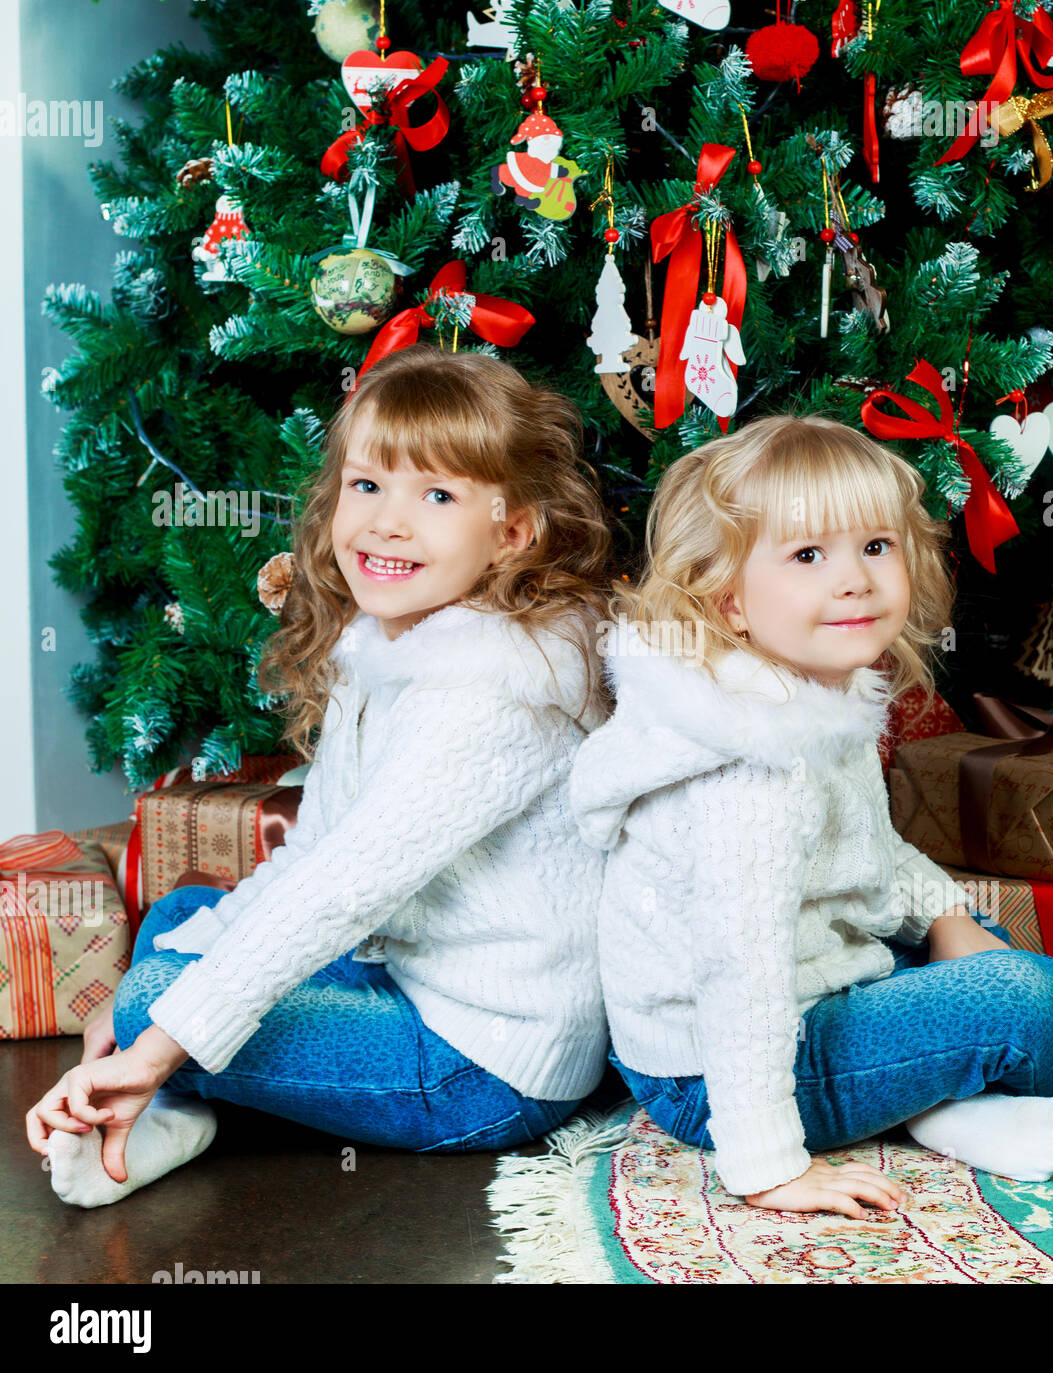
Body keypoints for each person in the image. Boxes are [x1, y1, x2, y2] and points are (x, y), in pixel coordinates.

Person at [27, 345, 615, 1207]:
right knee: (189, 916)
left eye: (438, 495)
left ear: (514, 529)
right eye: (367, 485)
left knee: (158, 991)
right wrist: (143, 1020)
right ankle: (184, 1102)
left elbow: (341, 890)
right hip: (403, 979)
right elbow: (314, 855)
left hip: (484, 1065)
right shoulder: (388, 644)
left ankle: (166, 1095)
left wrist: (144, 1035)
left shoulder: (500, 690)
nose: (386, 521)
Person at [569, 414, 1053, 1220]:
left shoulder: (817, 690)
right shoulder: (752, 773)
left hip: (813, 994)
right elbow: (740, 975)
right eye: (808, 555)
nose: (853, 578)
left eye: (875, 547)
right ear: (730, 603)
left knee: (963, 937)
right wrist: (768, 1166)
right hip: (714, 1077)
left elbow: (872, 849)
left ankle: (945, 1111)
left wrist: (947, 916)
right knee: (1019, 994)